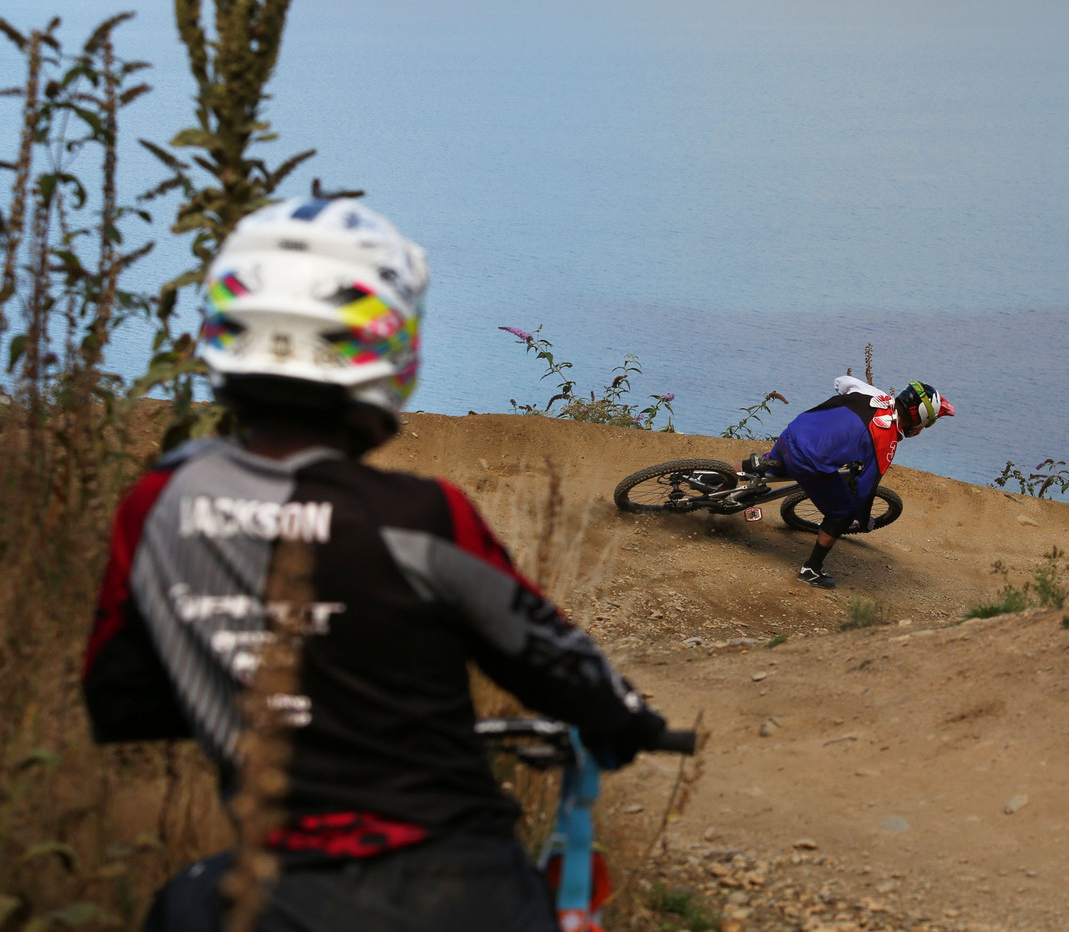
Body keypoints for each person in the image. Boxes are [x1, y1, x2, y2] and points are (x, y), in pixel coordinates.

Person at [82, 197, 668, 931]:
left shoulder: (157, 504)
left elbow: (118, 696)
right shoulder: (426, 515)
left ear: (225, 332)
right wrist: (628, 716)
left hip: (266, 889)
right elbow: (551, 658)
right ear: (389, 348)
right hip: (457, 885)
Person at [743, 375, 953, 589]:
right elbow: (865, 490)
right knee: (842, 512)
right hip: (808, 462)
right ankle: (811, 570)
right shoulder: (885, 440)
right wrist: (863, 519)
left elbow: (840, 382)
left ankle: (717, 479)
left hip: (793, 432)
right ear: (918, 421)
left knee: (771, 461)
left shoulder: (873, 394)